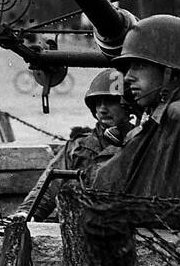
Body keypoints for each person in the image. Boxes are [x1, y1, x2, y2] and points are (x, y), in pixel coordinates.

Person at [87, 15, 180, 201]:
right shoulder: (175, 111)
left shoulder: (179, 114)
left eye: (139, 66)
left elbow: (115, 184)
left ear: (168, 71)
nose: (127, 77)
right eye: (129, 68)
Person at [30, 68, 137, 220]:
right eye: (98, 103)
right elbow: (49, 187)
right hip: (81, 224)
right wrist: (27, 215)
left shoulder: (141, 142)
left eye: (111, 102)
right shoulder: (79, 146)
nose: (102, 109)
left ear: (128, 105)